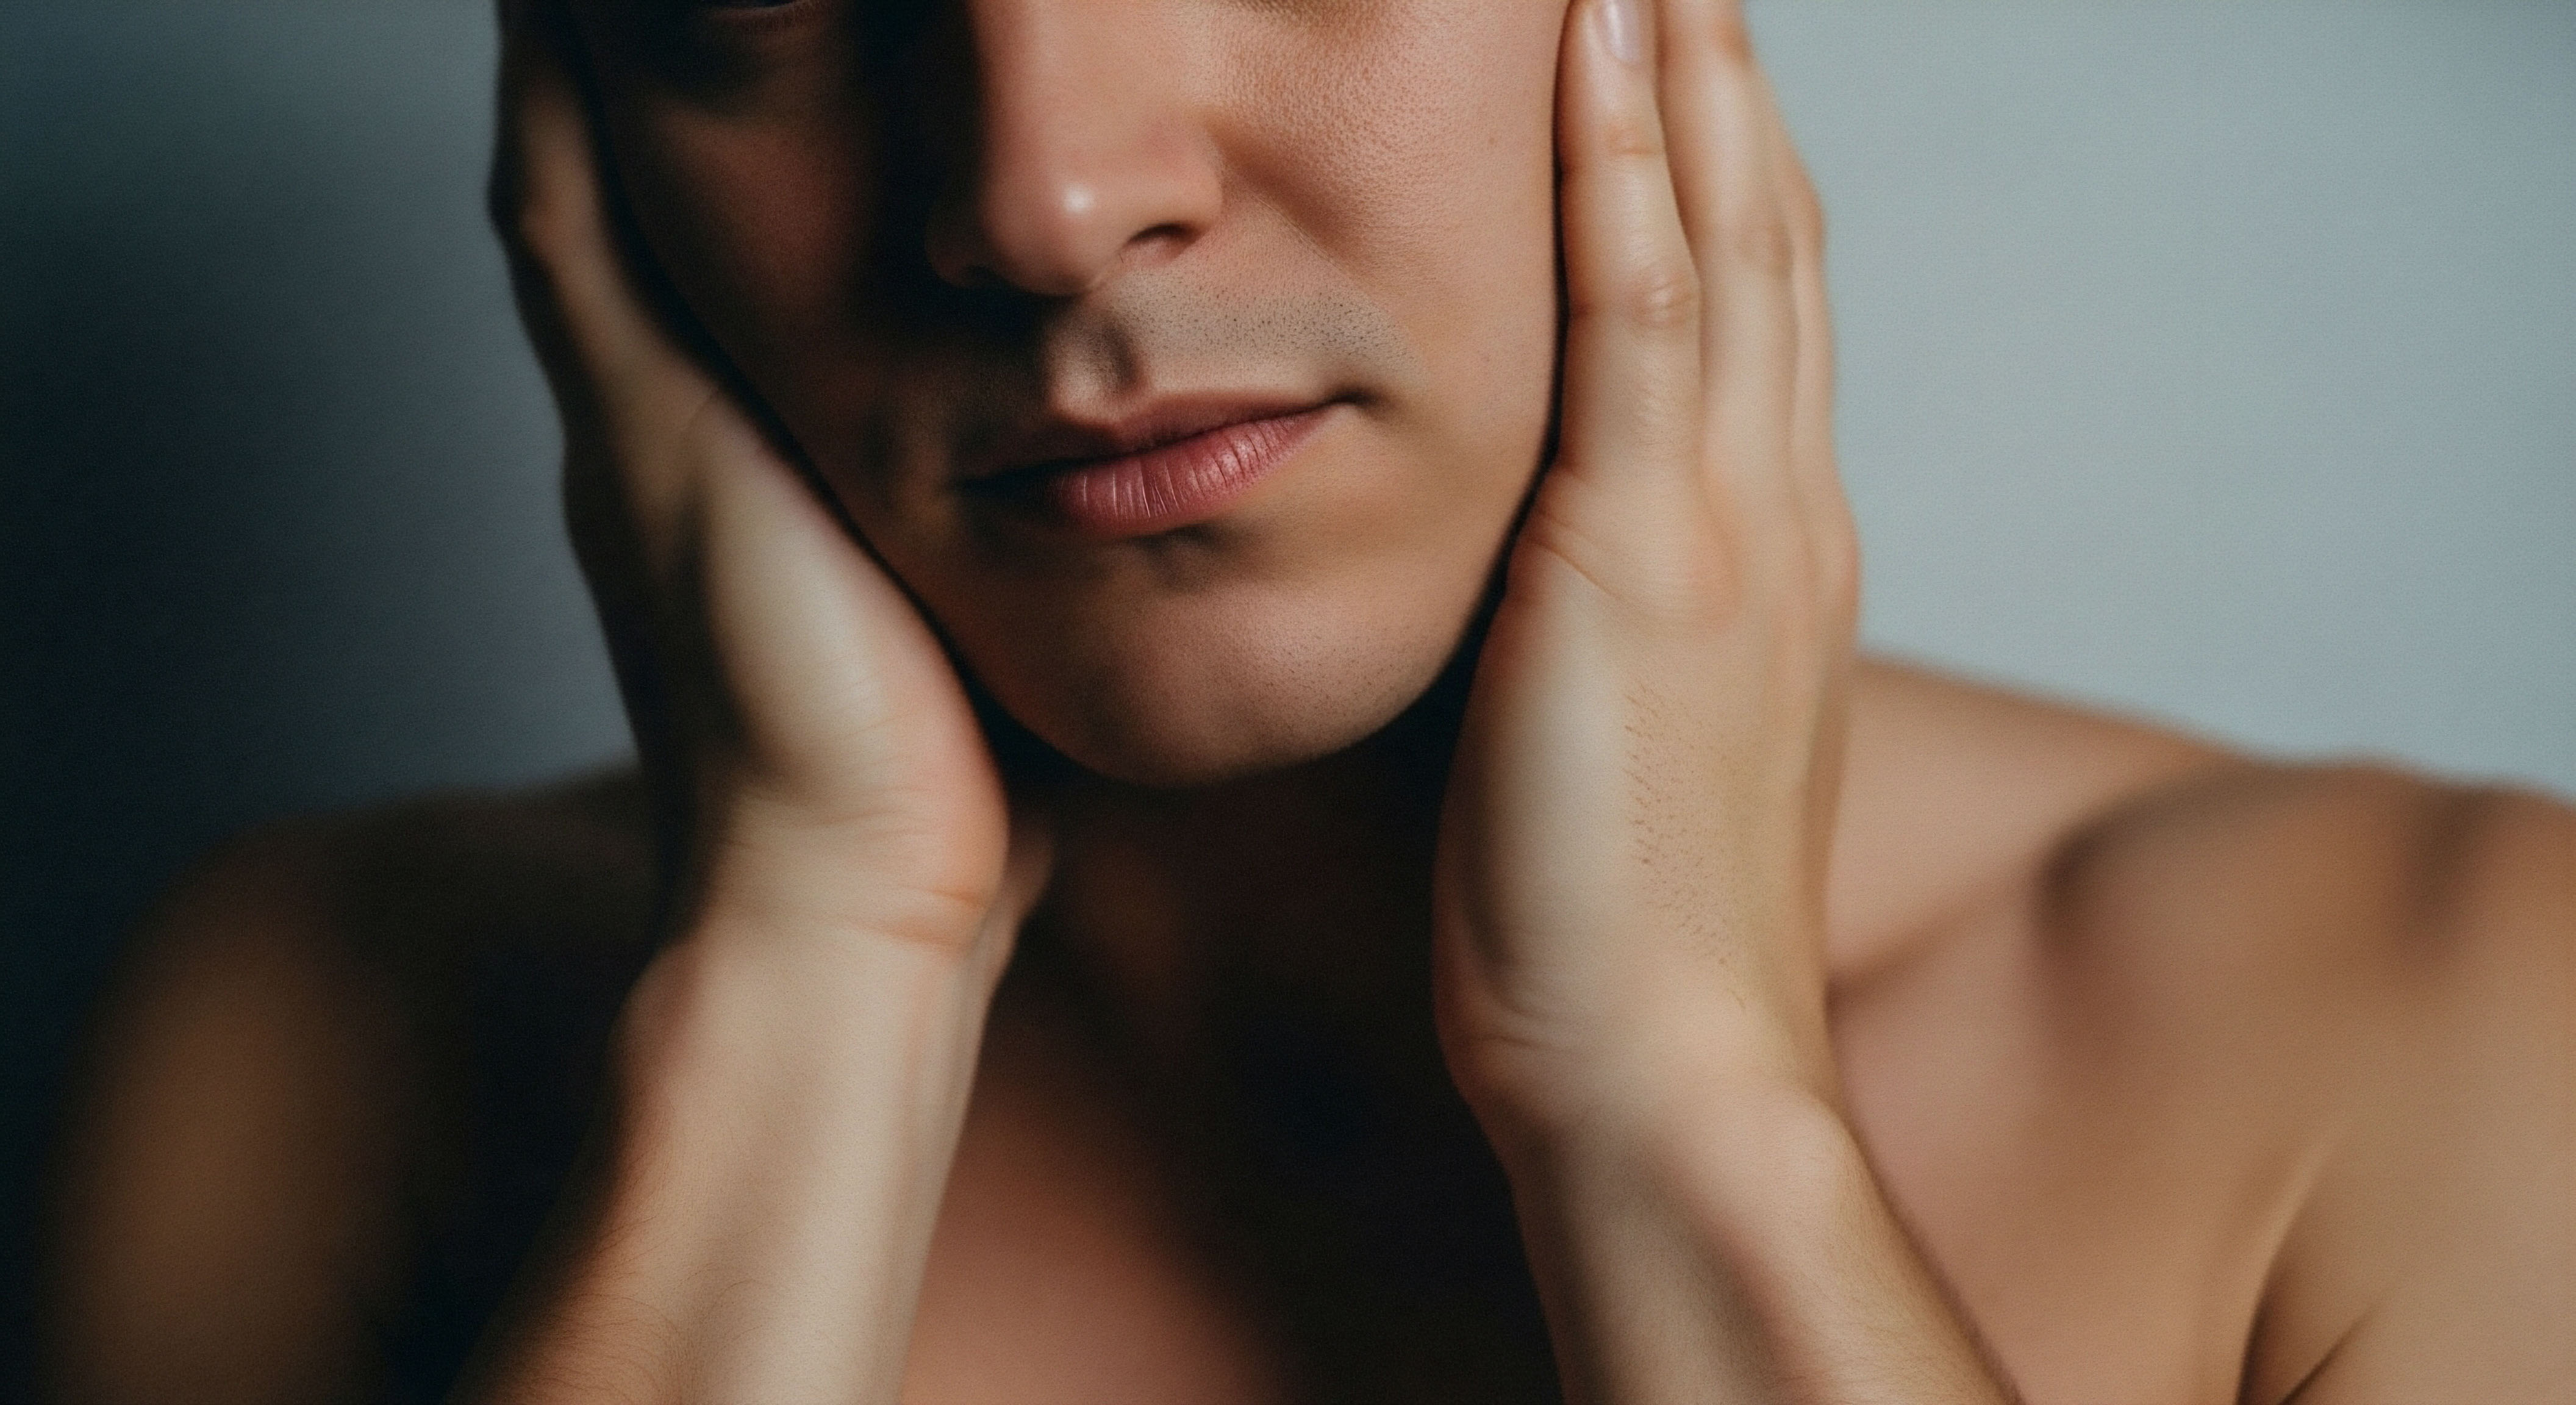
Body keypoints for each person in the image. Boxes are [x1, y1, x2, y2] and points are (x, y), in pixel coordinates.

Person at [37, 0, 2574, 1400]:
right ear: (578, 144)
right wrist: (810, 993)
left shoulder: (2449, 1027)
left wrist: (1681, 1108)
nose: (1044, 194)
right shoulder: (325, 1044)